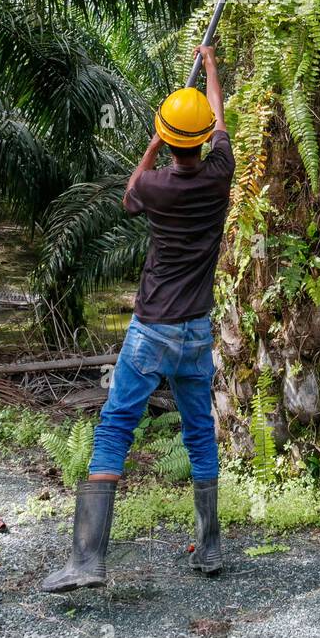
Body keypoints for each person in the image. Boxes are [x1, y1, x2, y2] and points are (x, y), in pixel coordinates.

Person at [42, 45, 234, 592]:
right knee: (200, 432)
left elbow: (128, 197)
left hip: (152, 330)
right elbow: (218, 120)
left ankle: (87, 561)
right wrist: (211, 69)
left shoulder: (152, 187)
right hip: (197, 330)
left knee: (115, 428)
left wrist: (152, 145)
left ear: (167, 139)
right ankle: (210, 548)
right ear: (201, 143)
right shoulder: (220, 175)